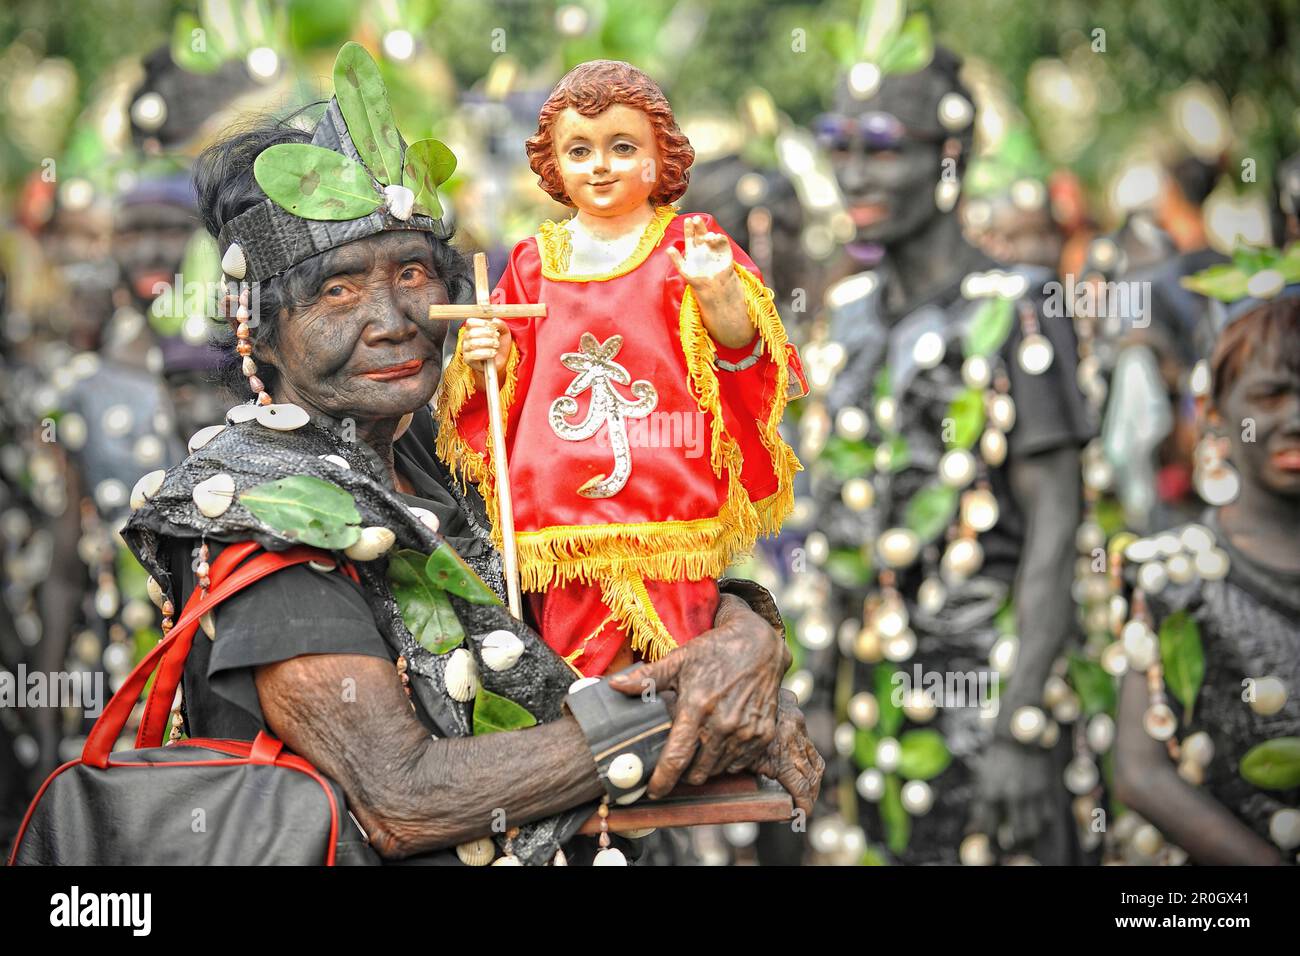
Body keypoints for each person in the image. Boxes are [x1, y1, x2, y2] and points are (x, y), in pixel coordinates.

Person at [120, 43, 822, 866]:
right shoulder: (261, 509)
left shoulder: (454, 445)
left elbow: (601, 568)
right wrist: (680, 707)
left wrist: (743, 639)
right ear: (261, 331)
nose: (390, 318)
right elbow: (404, 797)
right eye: (337, 290)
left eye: (413, 271)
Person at [801, 36, 1092, 864]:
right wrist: (819, 695)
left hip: (991, 699)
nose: (855, 175)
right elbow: (836, 526)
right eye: (840, 148)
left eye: (883, 149)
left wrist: (1021, 730)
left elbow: (1055, 528)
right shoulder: (848, 315)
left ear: (949, 154)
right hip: (875, 714)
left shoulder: (1020, 305)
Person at [437, 59, 806, 676]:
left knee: (685, 676)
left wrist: (719, 296)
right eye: (579, 150)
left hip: (669, 512)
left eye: (622, 146)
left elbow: (745, 357)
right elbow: (501, 389)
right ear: (554, 165)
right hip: (561, 523)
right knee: (573, 682)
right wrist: (489, 359)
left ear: (659, 159)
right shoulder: (534, 261)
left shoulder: (690, 245)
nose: (600, 165)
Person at [1112, 255, 1300, 864]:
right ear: (1214, 413)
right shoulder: (1174, 574)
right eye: (1270, 395)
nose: (1295, 419)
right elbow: (1141, 777)